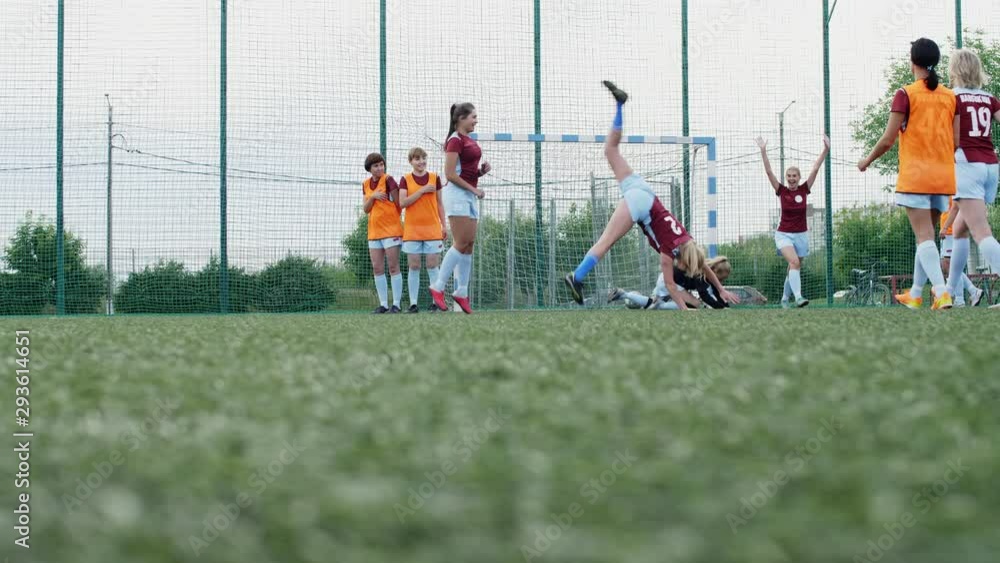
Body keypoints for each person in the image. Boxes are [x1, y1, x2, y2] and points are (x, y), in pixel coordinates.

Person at [564, 81, 740, 310]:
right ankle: (576, 277)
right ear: (684, 261)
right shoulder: (669, 252)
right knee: (605, 242)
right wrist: (685, 310)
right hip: (642, 206)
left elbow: (704, 265)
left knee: (611, 150)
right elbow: (671, 285)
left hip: (645, 191)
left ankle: (619, 105)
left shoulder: (688, 241)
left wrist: (721, 289)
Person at [859, 38, 956, 310]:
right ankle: (915, 293)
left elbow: (888, 140)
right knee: (925, 237)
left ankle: (942, 292)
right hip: (943, 177)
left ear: (912, 62)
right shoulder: (950, 96)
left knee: (924, 236)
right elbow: (956, 141)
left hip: (916, 177)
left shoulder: (905, 94)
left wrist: (866, 161)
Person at [941, 48, 1000, 310]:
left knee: (981, 232)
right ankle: (950, 294)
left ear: (955, 69)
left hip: (966, 164)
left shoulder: (951, 97)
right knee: (960, 230)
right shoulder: (990, 98)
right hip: (990, 166)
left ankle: (949, 294)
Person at [429, 103, 491, 314]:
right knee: (461, 242)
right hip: (457, 195)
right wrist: (474, 190)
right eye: (473, 117)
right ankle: (438, 287)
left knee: (469, 244)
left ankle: (462, 292)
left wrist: (480, 173)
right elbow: (450, 174)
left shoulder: (468, 140)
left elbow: (465, 171)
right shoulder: (455, 140)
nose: (476, 120)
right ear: (461, 118)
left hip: (468, 195)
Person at [755, 135, 830, 308]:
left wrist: (825, 150)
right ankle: (798, 297)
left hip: (801, 235)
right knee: (794, 262)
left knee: (794, 267)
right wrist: (763, 151)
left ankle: (784, 298)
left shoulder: (804, 189)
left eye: (794, 176)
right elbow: (769, 172)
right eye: (788, 176)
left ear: (799, 177)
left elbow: (815, 169)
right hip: (784, 234)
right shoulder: (782, 191)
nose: (791, 178)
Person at [398, 147, 447, 313]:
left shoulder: (435, 178)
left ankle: (436, 302)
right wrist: (422, 190)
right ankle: (413, 304)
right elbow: (402, 203)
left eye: (423, 158)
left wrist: (444, 225)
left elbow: (440, 204)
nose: (421, 161)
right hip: (412, 231)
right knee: (414, 266)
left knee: (432, 265)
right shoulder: (405, 179)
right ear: (411, 161)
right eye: (417, 159)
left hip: (433, 230)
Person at [361, 152, 403, 314]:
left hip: (391, 230)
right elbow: (366, 209)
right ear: (369, 169)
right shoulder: (365, 184)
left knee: (393, 267)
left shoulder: (389, 180)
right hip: (374, 232)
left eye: (381, 165)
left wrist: (392, 217)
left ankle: (396, 304)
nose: (379, 168)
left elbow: (399, 203)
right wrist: (373, 197)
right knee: (377, 268)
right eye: (376, 166)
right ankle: (384, 304)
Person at [609, 256, 734, 310]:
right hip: (668, 282)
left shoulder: (706, 273)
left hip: (666, 279)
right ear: (714, 270)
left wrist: (726, 306)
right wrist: (720, 308)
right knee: (695, 303)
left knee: (650, 303)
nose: (720, 282)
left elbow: (717, 292)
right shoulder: (700, 274)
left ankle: (623, 294)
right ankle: (660, 305)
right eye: (721, 278)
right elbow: (704, 295)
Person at [937, 197, 983, 307]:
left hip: (951, 231)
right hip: (949, 231)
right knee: (949, 266)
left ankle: (960, 299)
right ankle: (972, 292)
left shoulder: (954, 188)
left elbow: (955, 208)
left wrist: (945, 227)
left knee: (950, 266)